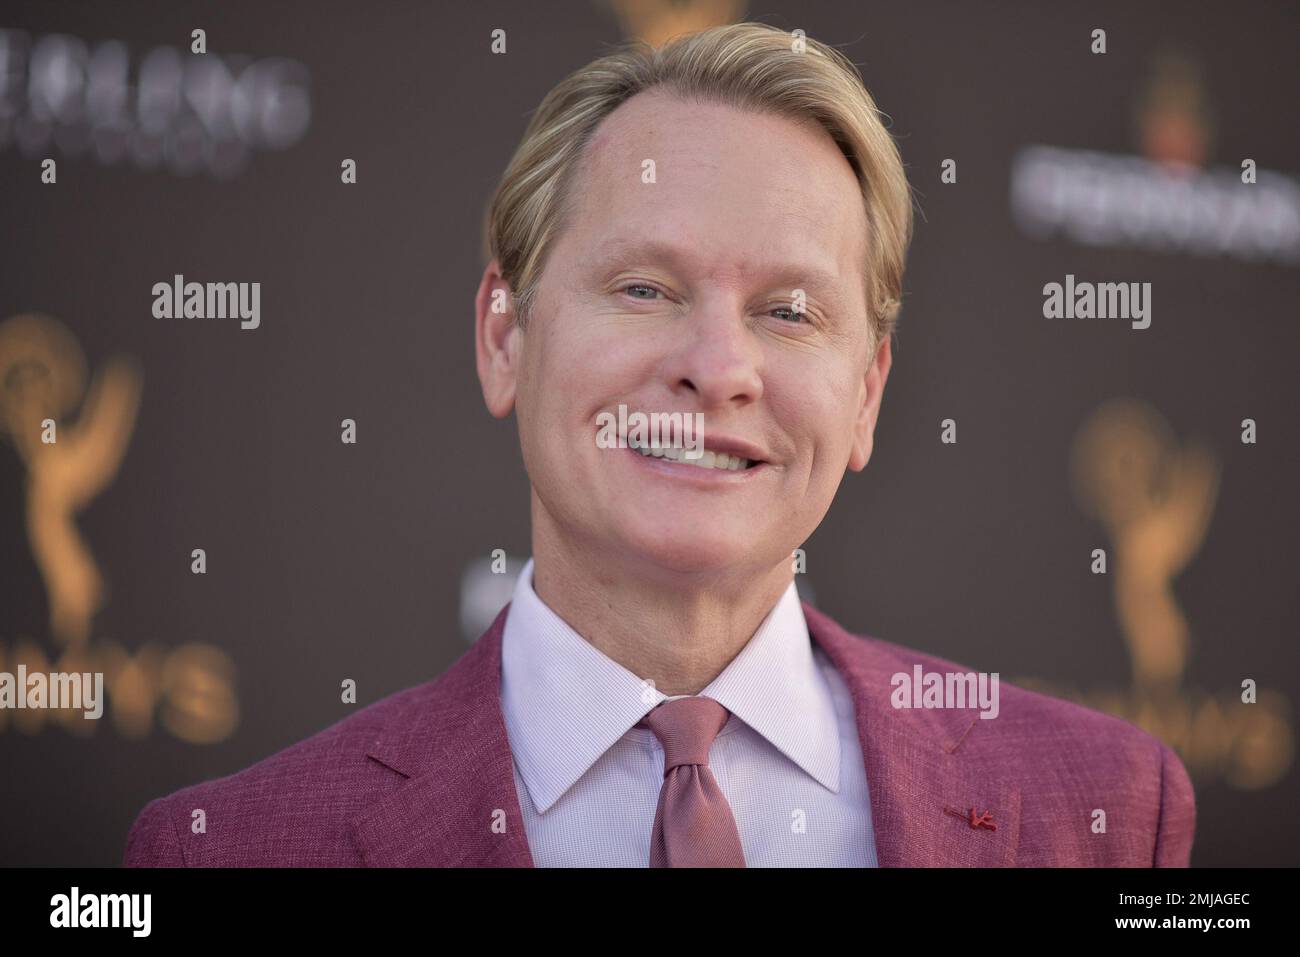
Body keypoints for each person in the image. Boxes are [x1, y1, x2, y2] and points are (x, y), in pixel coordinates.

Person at [124, 22, 1194, 868]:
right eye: (644, 288)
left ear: (866, 395)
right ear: (505, 336)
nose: (717, 366)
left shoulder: (1108, 809)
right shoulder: (226, 852)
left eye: (788, 311)